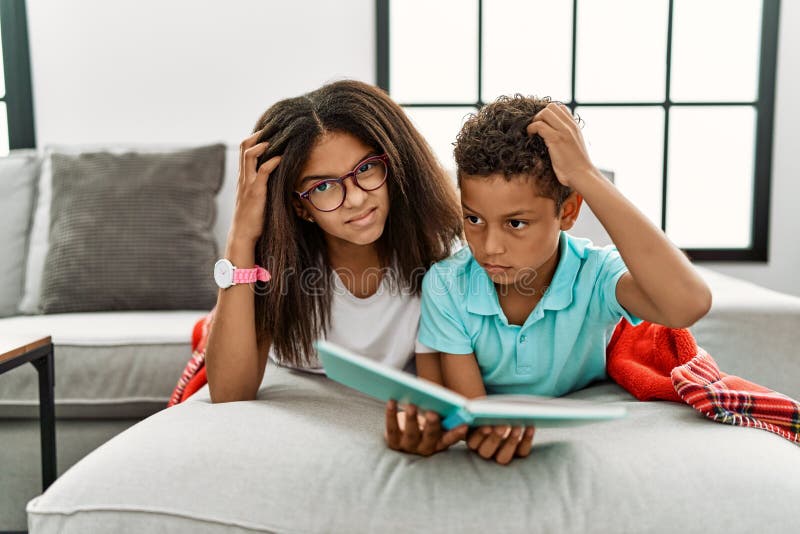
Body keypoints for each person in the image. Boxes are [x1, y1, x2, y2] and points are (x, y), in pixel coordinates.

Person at [387, 94, 712, 465]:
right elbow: (470, 409)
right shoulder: (447, 284)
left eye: (516, 224)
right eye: (474, 219)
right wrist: (463, 429)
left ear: (568, 211)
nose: (490, 247)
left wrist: (585, 176)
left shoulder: (595, 273)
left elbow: (689, 302)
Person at [206, 79, 469, 454]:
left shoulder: (443, 251)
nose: (357, 198)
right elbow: (230, 394)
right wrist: (241, 235)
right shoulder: (280, 263)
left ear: (393, 163)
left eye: (366, 169)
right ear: (300, 207)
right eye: (324, 187)